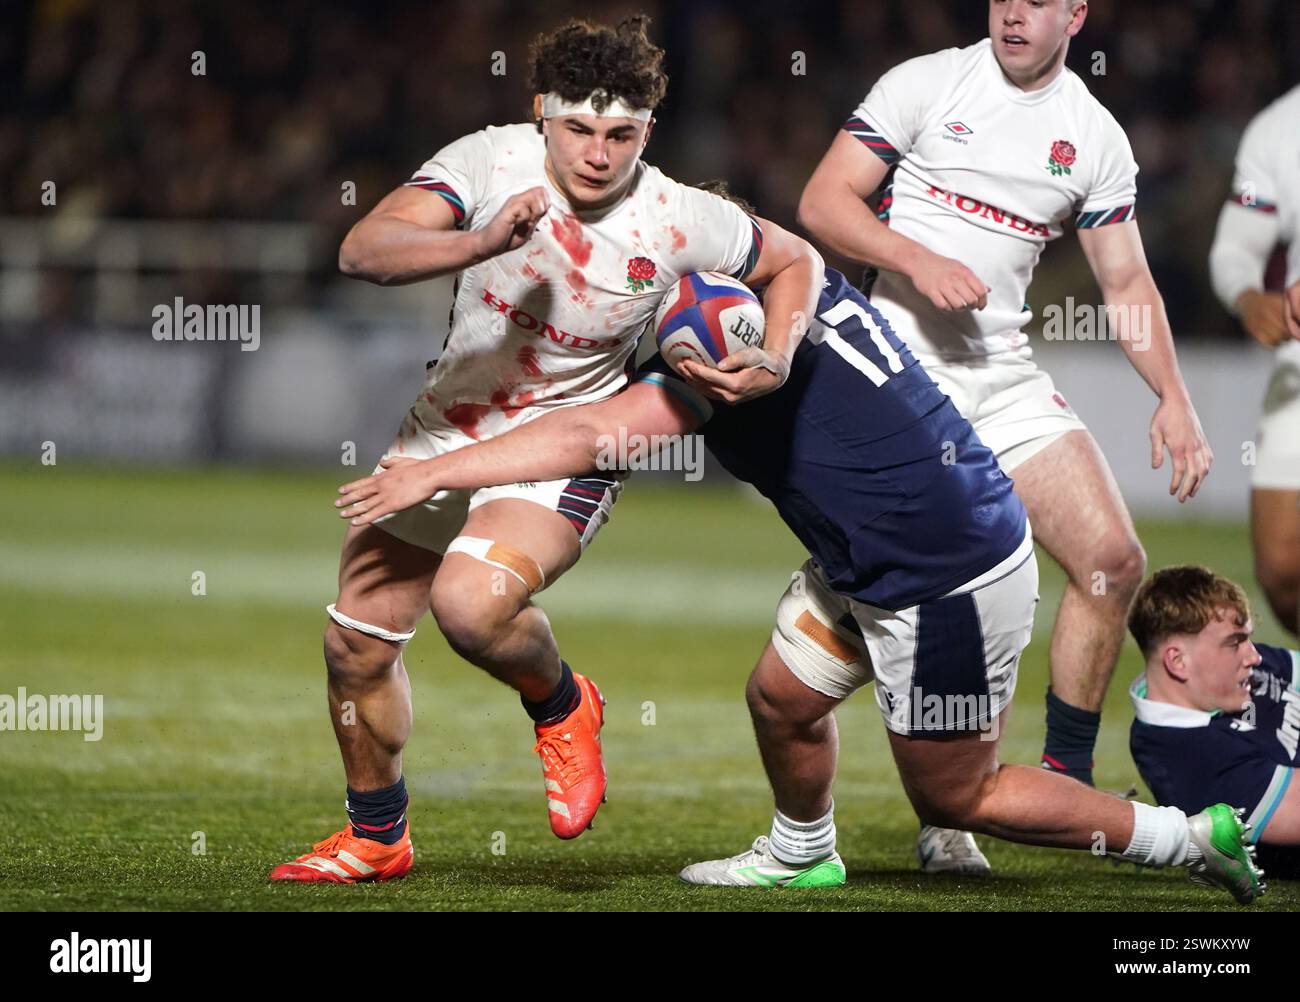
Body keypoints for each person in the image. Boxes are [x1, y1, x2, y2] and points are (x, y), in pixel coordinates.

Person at [334, 267, 1263, 904]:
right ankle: (803, 852)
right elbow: (796, 246)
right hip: (882, 552)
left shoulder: (704, 361)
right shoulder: (783, 281)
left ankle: (1186, 839)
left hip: (941, 576)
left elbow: (587, 439)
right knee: (780, 699)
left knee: (957, 796)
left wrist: (436, 471)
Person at [269, 16, 823, 883]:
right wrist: (480, 241)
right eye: (578, 129)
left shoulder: (680, 218)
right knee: (357, 647)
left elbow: (797, 261)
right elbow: (363, 250)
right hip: (443, 429)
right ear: (542, 114)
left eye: (621, 135)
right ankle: (378, 837)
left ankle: (563, 705)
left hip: (566, 446)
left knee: (470, 605)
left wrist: (779, 357)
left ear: (648, 131)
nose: (598, 154)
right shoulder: (488, 164)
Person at [795, 0, 1213, 872]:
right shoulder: (928, 83)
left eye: (1036, 1)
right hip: (902, 380)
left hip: (1003, 378)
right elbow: (823, 202)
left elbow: (1128, 279)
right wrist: (915, 259)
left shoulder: (1092, 137)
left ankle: (1063, 781)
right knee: (936, 599)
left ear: (1076, 16)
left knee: (1112, 561)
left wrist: (1172, 395)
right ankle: (941, 811)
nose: (1014, 13)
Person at [1128, 566, 1299, 879]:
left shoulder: (1225, 681)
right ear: (1178, 661)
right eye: (1235, 643)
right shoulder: (1190, 759)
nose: (1254, 656)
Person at [1209, 84, 1300, 639]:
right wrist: (1249, 297)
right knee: (1283, 568)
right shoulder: (1279, 126)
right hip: (1298, 371)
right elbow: (1234, 249)